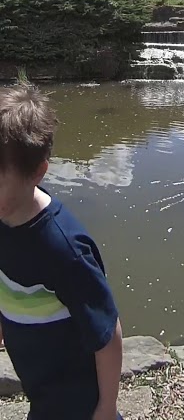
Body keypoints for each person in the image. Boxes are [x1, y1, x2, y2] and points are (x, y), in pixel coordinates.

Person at [0, 83, 123, 420]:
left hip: (76, 400)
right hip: (40, 389)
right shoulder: (3, 216)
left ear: (37, 173)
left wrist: (106, 408)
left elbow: (107, 333)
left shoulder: (64, 250)